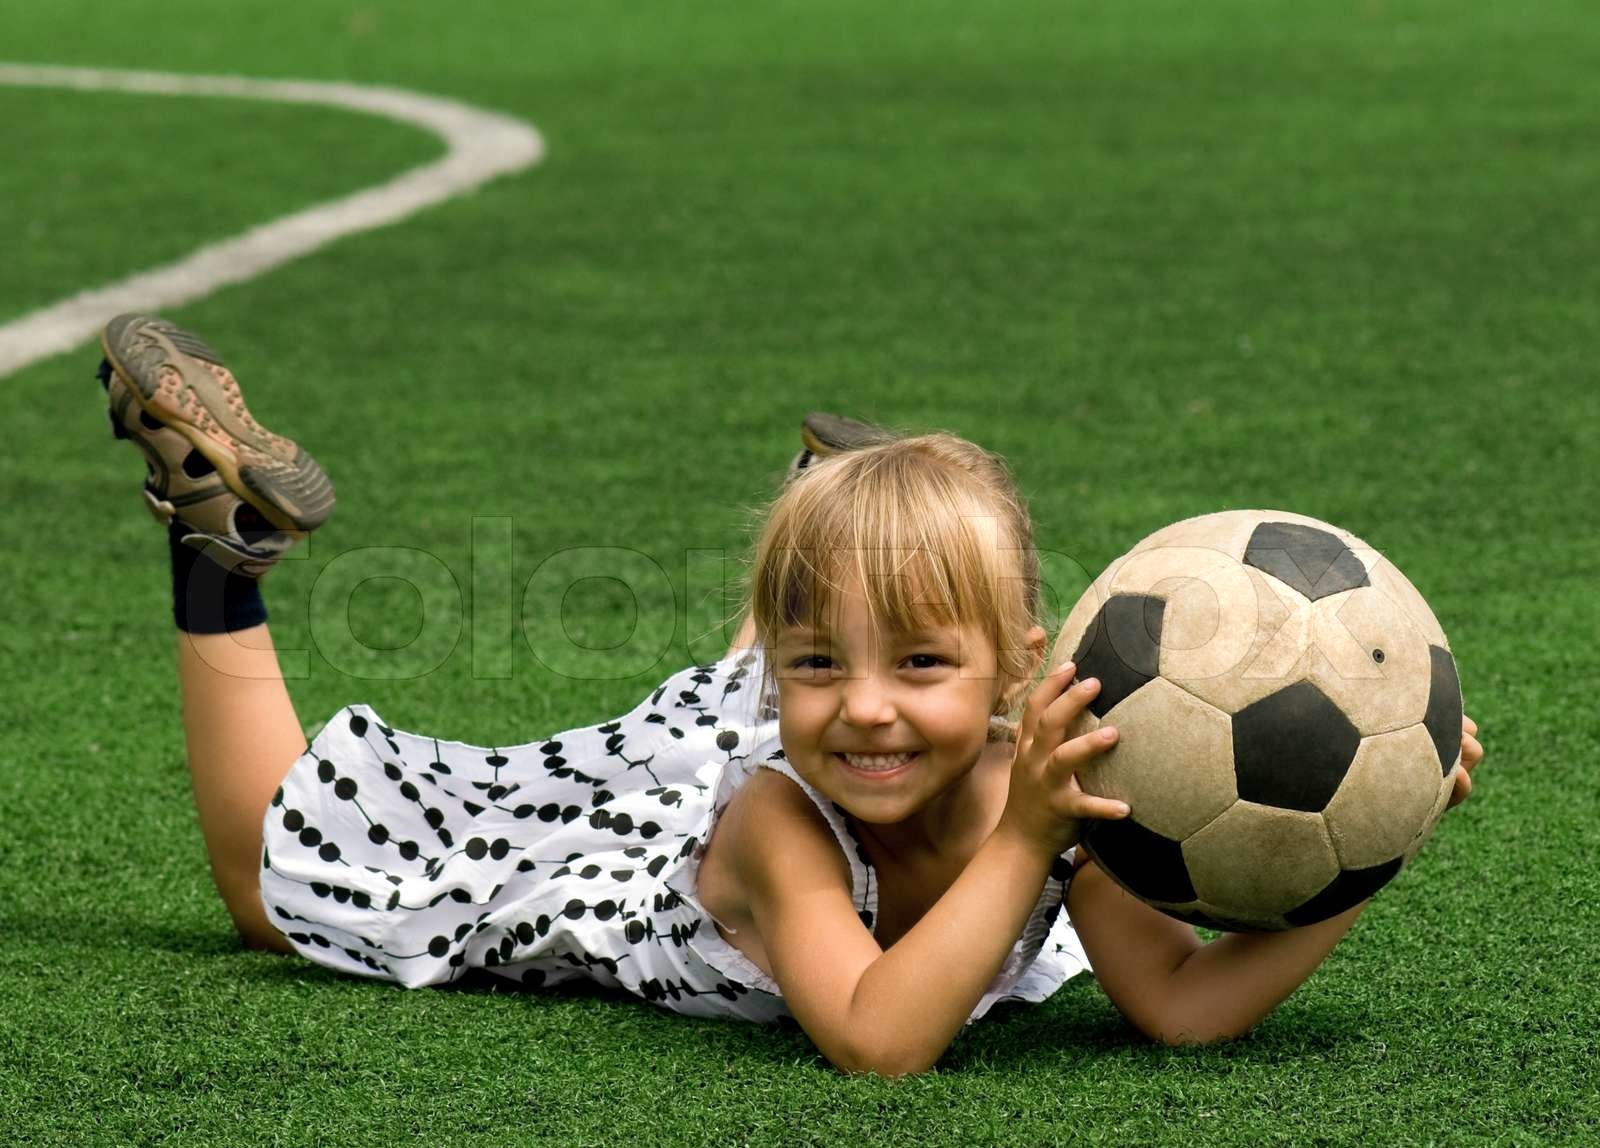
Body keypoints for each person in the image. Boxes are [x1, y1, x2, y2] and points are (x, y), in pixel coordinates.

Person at [98, 313, 1484, 1077]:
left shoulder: (1059, 778)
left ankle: (842, 529)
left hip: (852, 741)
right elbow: (881, 1037)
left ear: (1020, 671)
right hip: (651, 856)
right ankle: (222, 546)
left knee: (860, 694)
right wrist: (1014, 835)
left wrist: (1368, 846)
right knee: (275, 881)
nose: (868, 705)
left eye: (923, 660)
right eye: (823, 657)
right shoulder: (780, 816)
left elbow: (1177, 1007)